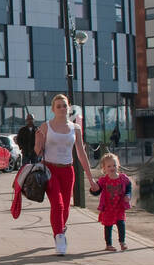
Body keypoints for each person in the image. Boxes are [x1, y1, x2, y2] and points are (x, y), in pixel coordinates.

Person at [33, 94, 95, 255]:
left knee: (66, 207)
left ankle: (60, 227)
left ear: (69, 107)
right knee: (58, 205)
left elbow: (81, 154)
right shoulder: (46, 126)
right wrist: (38, 141)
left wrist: (91, 179)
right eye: (58, 106)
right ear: (53, 109)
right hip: (50, 169)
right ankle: (59, 238)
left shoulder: (75, 128)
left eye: (64, 105)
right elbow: (38, 152)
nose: (62, 108)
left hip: (68, 170)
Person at [89, 152, 132, 251]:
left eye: (114, 165)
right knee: (108, 226)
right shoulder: (103, 180)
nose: (112, 168)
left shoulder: (123, 178)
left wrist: (128, 195)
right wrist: (93, 189)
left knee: (121, 224)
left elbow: (129, 187)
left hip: (119, 206)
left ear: (118, 166)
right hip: (107, 207)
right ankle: (108, 244)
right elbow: (97, 191)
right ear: (104, 168)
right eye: (109, 166)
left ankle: (122, 242)